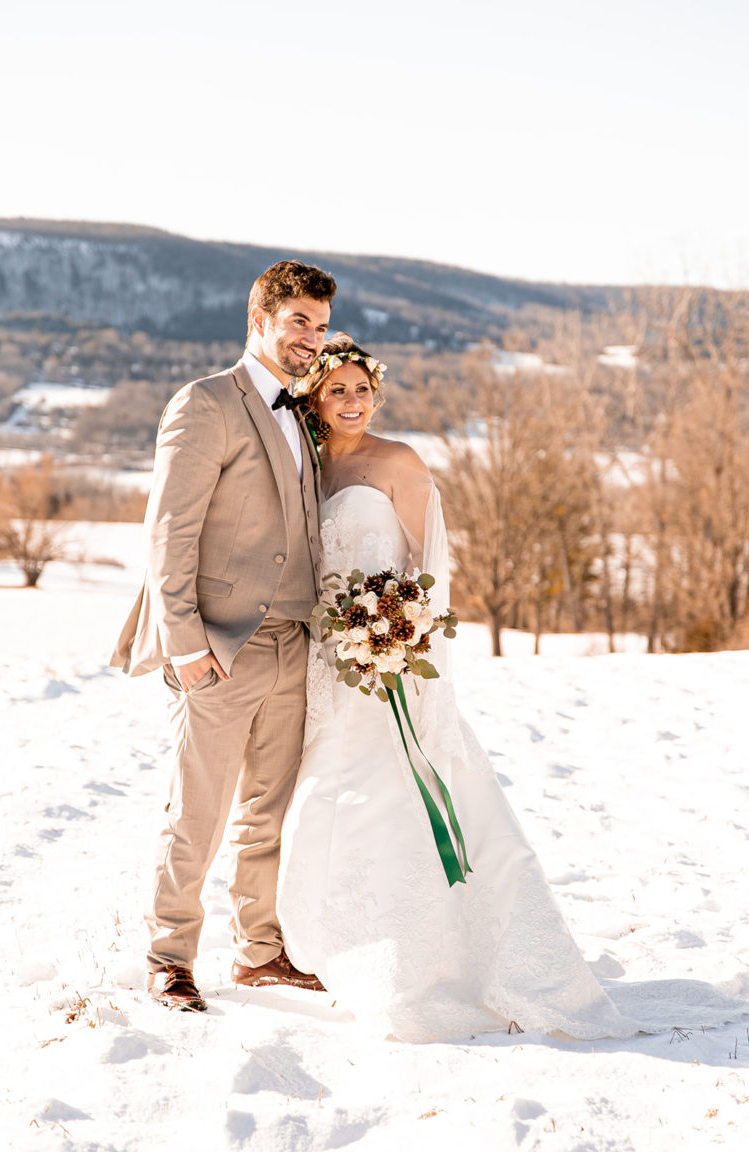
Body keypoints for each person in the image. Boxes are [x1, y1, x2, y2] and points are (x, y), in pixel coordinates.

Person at [276, 333, 642, 1043]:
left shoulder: (400, 462)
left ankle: (423, 960)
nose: (354, 402)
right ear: (315, 399)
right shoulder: (306, 467)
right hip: (328, 665)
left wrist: (400, 635)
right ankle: (339, 943)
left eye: (362, 389)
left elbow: (427, 570)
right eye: (338, 390)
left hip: (390, 663)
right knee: (328, 794)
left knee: (396, 794)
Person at [111, 260, 337, 1012]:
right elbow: (168, 532)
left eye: (322, 324)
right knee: (197, 811)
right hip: (218, 649)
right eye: (299, 321)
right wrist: (185, 645)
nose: (312, 338)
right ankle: (168, 957)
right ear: (260, 320)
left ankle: (259, 952)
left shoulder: (304, 410)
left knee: (267, 813)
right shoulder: (206, 403)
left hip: (291, 646)